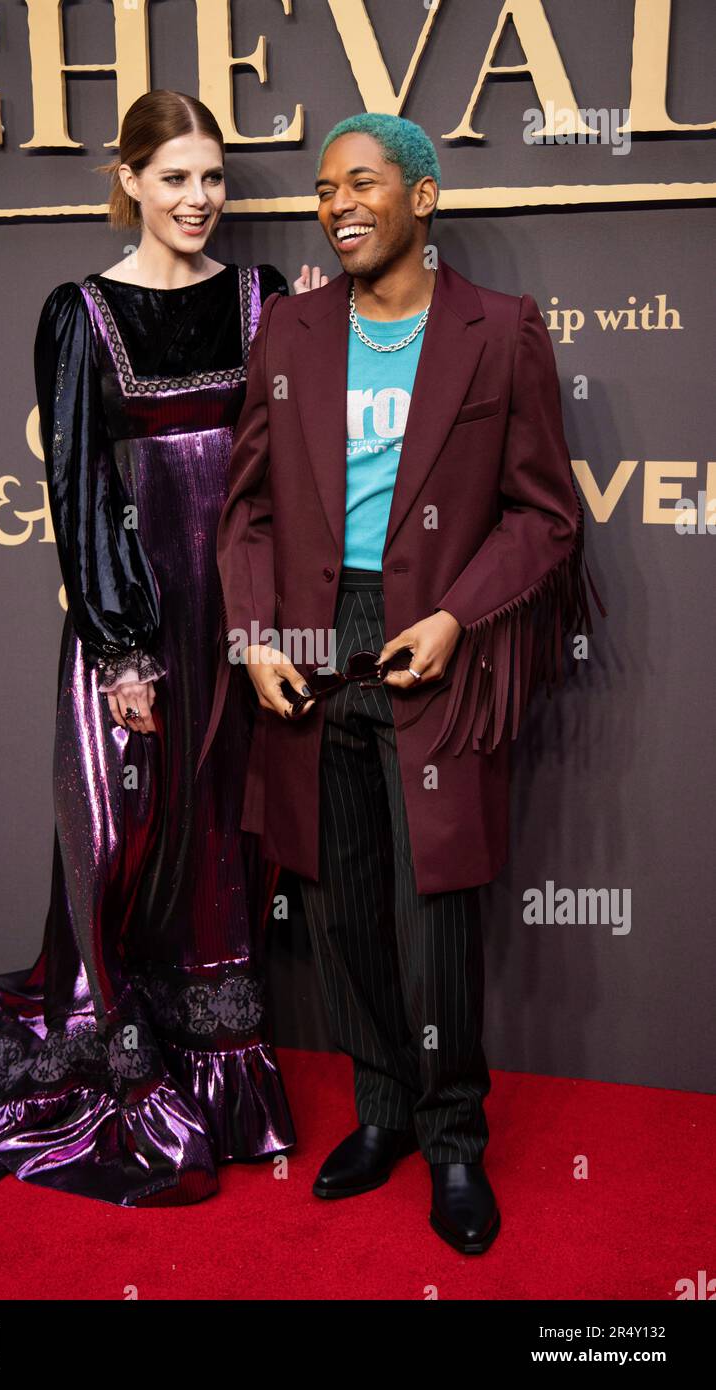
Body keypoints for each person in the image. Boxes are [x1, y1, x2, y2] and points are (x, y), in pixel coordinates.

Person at [0, 89, 316, 1208]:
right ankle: (122, 1051)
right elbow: (79, 484)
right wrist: (123, 649)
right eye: (175, 178)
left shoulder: (263, 300)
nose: (199, 198)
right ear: (130, 181)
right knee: (124, 837)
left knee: (225, 833)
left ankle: (225, 1072)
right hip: (141, 614)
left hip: (241, 608)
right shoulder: (78, 313)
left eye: (213, 178)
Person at [199, 113, 605, 1252]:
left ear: (423, 198)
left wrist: (457, 617)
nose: (337, 205)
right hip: (308, 640)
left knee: (436, 909)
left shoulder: (500, 330)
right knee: (335, 896)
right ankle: (379, 1112)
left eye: (362, 184)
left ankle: (454, 1139)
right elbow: (249, 512)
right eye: (324, 190)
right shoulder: (289, 331)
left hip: (431, 635)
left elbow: (545, 516)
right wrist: (253, 635)